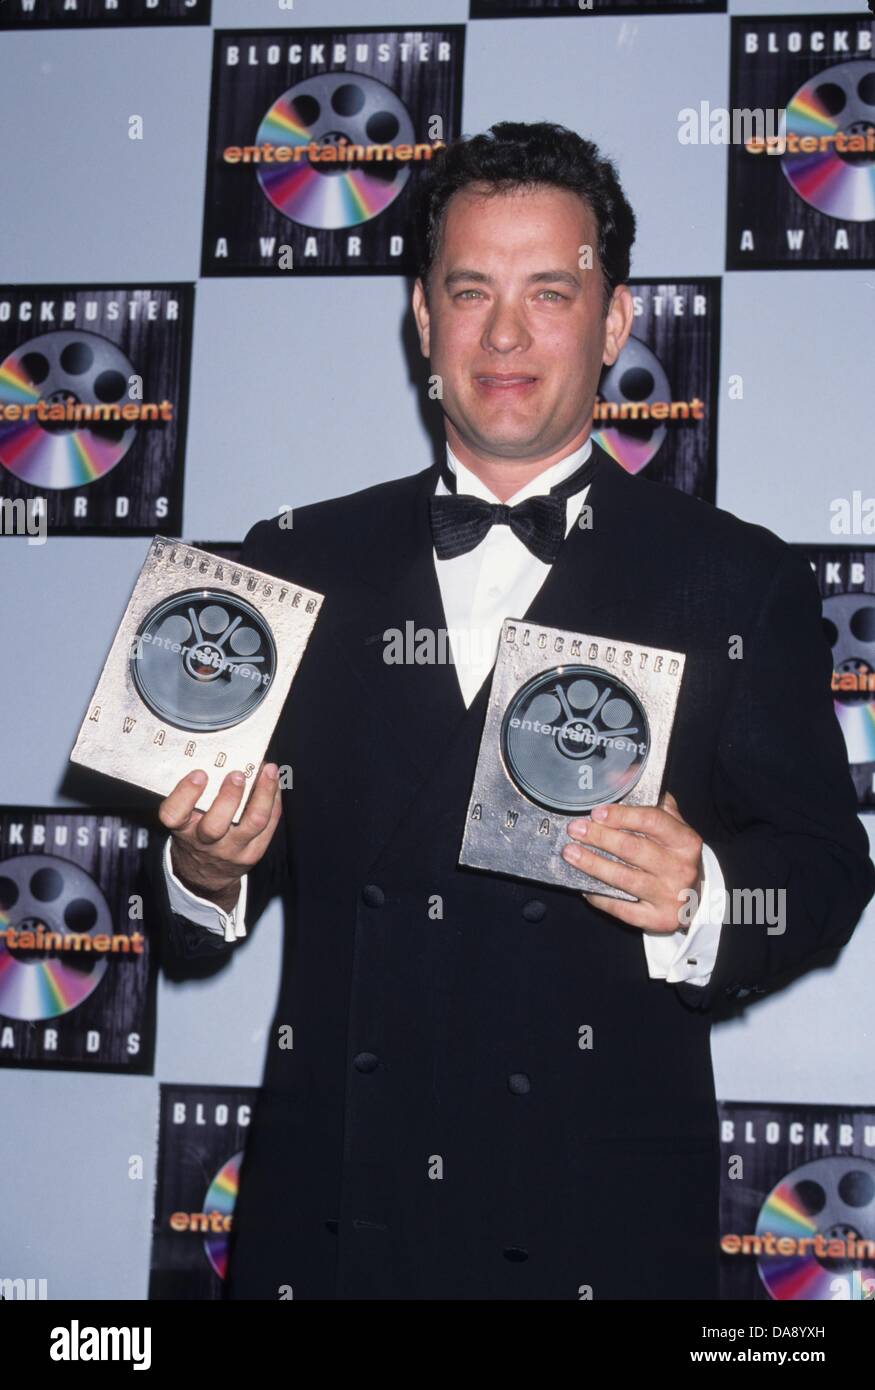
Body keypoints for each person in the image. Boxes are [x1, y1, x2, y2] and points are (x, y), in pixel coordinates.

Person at [145, 121, 874, 1300]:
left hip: (602, 1229)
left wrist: (704, 900)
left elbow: (824, 874)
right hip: (337, 1221)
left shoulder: (732, 578)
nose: (503, 333)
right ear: (421, 320)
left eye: (549, 292)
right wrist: (204, 867)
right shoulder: (290, 563)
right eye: (469, 289)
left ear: (616, 321)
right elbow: (184, 925)